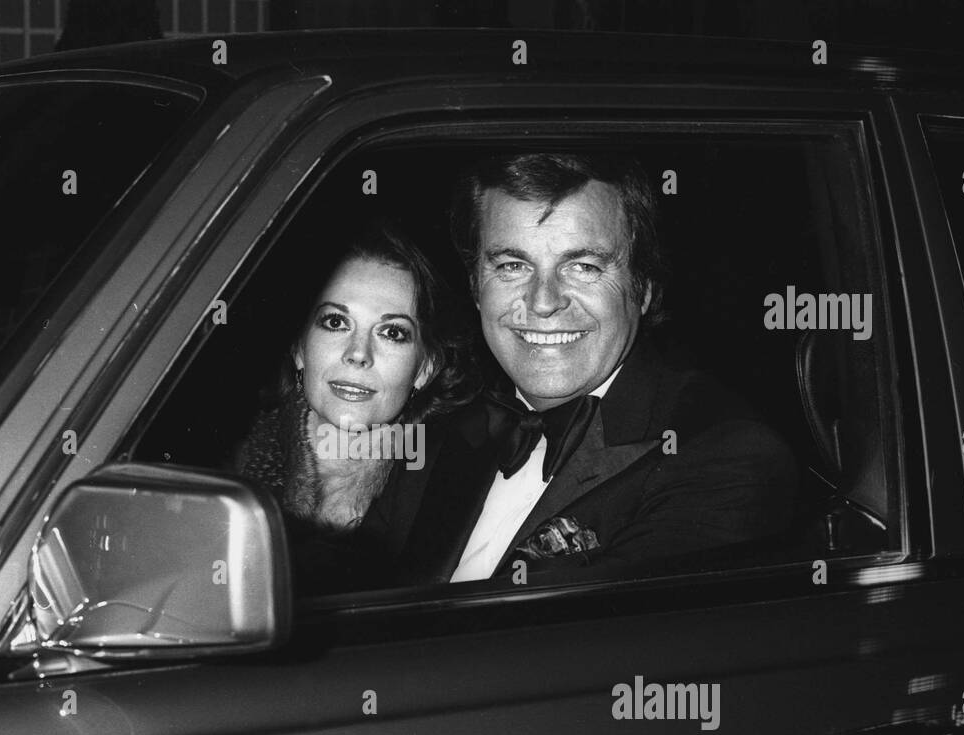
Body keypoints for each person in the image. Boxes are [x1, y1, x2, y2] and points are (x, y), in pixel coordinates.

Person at [353, 152, 799, 588]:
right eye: (512, 266)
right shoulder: (437, 429)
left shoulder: (727, 456)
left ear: (642, 289)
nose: (543, 301)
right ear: (475, 287)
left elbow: (599, 652)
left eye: (583, 266)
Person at [237, 219, 476, 533]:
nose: (359, 353)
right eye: (336, 322)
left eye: (392, 332)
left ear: (424, 369)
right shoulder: (228, 479)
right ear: (299, 349)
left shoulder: (450, 500)